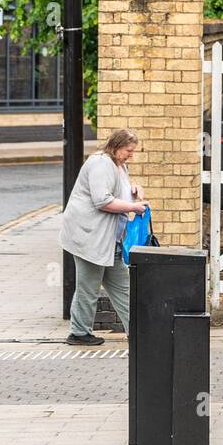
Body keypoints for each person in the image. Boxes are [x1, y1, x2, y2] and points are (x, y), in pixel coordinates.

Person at [60, 127, 147, 347]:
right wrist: (133, 207)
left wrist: (132, 188)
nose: (132, 155)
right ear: (117, 147)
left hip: (109, 242)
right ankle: (79, 333)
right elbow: (103, 200)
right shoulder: (100, 163)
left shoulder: (118, 164)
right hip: (90, 238)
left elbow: (116, 188)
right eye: (129, 150)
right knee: (88, 287)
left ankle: (140, 332)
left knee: (124, 288)